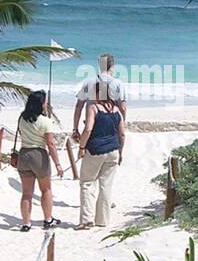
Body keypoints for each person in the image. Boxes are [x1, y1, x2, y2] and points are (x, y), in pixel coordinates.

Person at [13, 90, 64, 232]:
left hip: (24, 155)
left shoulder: (21, 118)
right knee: (46, 189)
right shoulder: (46, 122)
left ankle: (26, 223)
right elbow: (51, 144)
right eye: (45, 101)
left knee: (26, 193)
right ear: (41, 103)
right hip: (39, 155)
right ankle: (48, 219)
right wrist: (58, 164)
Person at [76, 94, 124, 229]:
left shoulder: (94, 108)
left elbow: (88, 129)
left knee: (87, 183)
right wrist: (121, 151)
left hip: (95, 150)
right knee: (106, 186)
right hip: (113, 149)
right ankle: (102, 220)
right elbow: (122, 133)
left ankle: (86, 220)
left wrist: (81, 147)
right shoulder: (117, 110)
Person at [72, 52, 126, 139]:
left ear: (100, 66)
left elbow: (79, 106)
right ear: (112, 66)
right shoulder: (118, 84)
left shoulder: (88, 82)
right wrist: (122, 125)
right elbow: (122, 108)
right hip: (111, 127)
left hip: (91, 125)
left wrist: (75, 129)